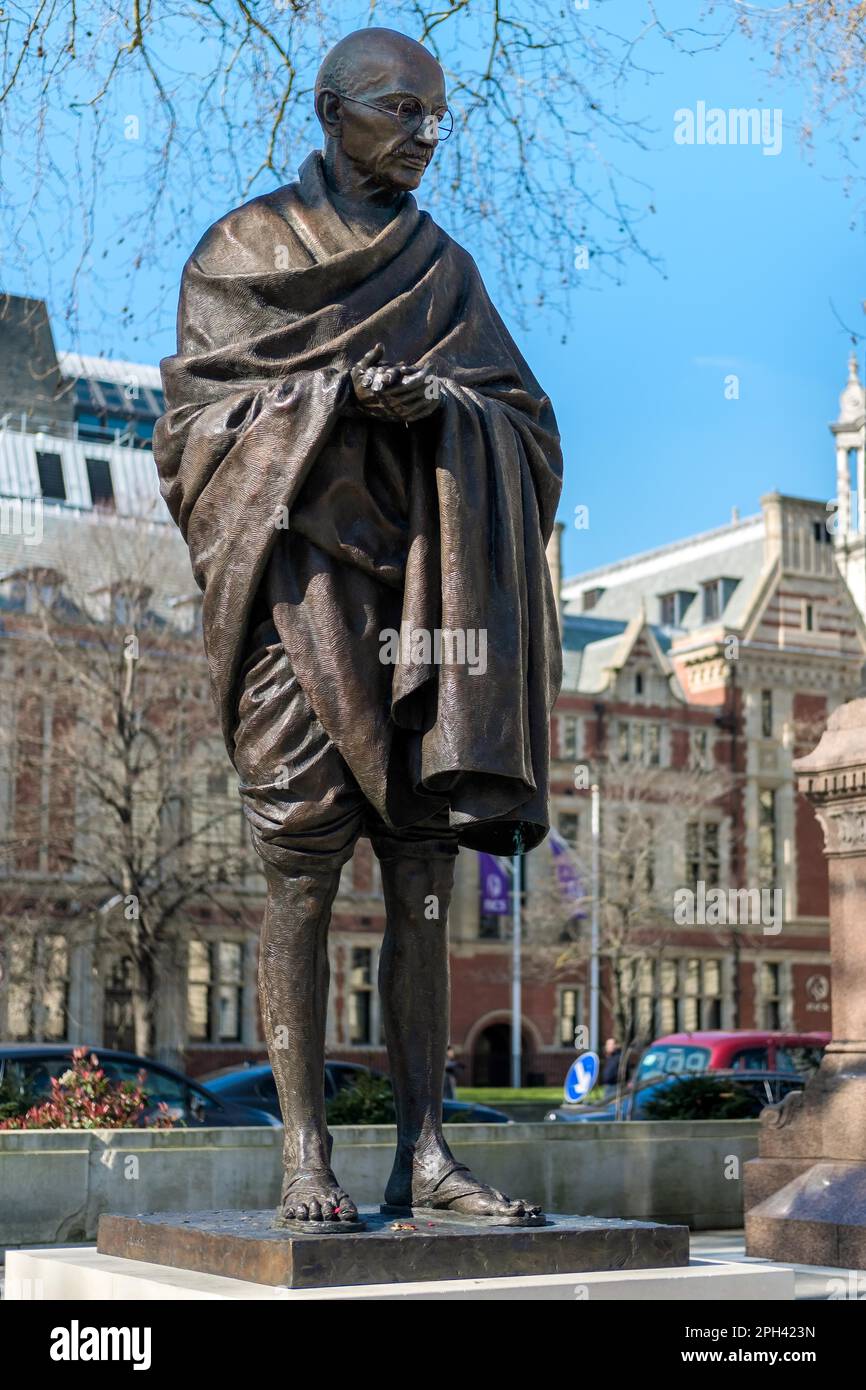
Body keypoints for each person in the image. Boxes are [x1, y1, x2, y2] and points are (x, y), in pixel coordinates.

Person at [154, 27, 561, 1227]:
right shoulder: (243, 251)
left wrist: (439, 404)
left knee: (423, 871)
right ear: (330, 111)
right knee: (300, 863)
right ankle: (302, 1155)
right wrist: (332, 396)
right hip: (300, 600)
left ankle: (425, 1152)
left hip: (421, 606)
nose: (424, 137)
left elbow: (527, 429)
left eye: (437, 118)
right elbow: (190, 433)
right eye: (401, 112)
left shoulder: (444, 268)